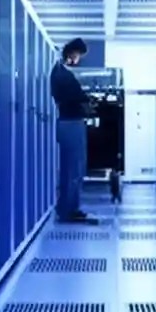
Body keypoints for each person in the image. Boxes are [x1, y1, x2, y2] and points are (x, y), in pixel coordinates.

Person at [50, 39, 94, 222]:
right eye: (78, 55)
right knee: (74, 168)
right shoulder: (61, 73)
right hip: (71, 124)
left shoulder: (59, 71)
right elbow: (73, 96)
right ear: (72, 53)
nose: (78, 59)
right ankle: (69, 209)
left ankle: (67, 207)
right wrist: (86, 99)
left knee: (70, 168)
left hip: (67, 122)